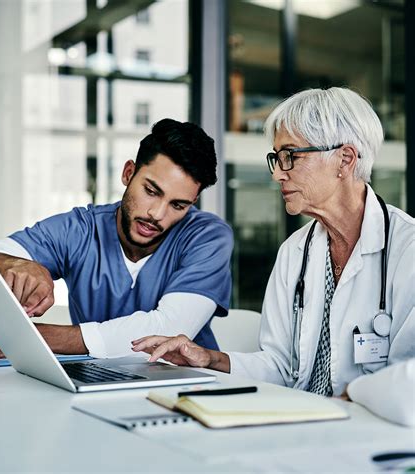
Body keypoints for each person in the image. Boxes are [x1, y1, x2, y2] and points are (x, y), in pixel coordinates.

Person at [133, 88, 414, 412]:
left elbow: (407, 381)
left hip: (376, 436)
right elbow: (280, 367)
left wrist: (355, 395)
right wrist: (208, 358)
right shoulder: (294, 252)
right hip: (300, 422)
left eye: (290, 157)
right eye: (276, 157)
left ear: (345, 159)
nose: (277, 173)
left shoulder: (407, 251)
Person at [0, 118, 233, 358]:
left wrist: (31, 339)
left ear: (192, 202)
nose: (157, 214)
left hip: (190, 390)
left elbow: (168, 329)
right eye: (151, 190)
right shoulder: (82, 228)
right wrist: (8, 262)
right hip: (98, 381)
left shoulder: (207, 236)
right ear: (128, 173)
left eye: (178, 205)